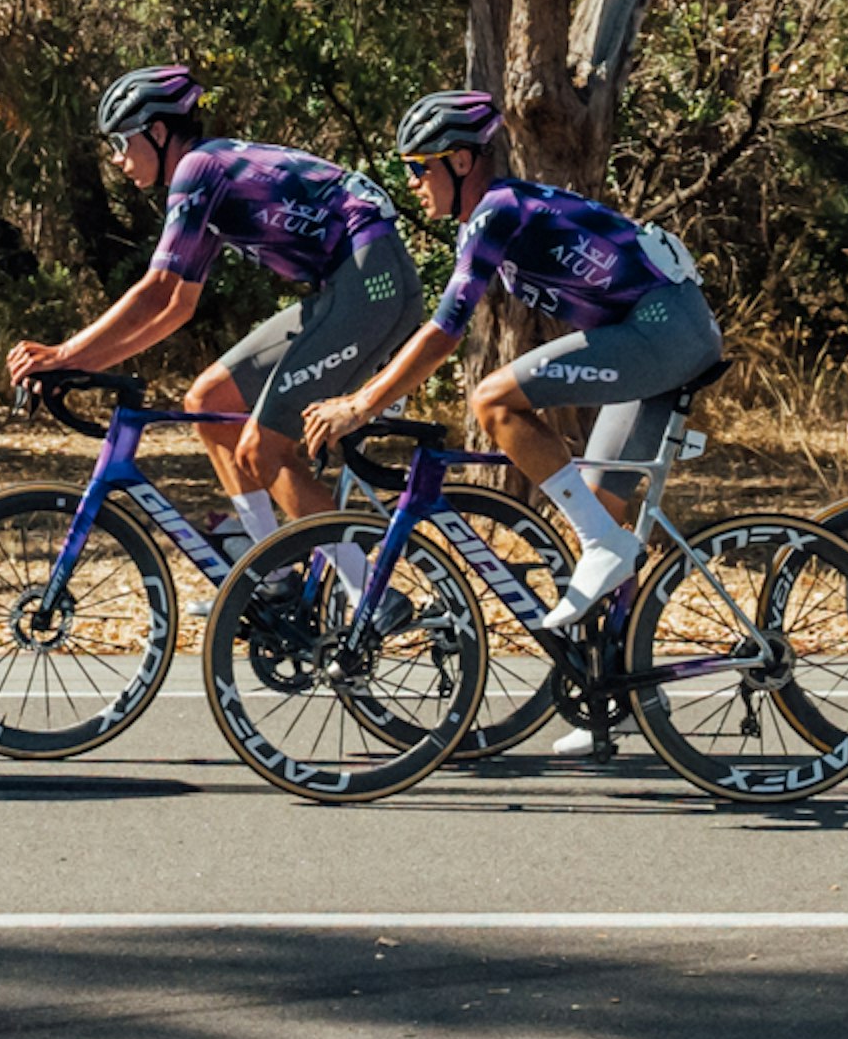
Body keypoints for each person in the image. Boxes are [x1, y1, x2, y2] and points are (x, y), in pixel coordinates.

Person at [303, 91, 724, 642]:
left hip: (665, 328)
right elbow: (436, 329)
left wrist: (361, 404)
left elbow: (444, 333)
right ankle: (620, 699)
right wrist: (380, 394)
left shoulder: (496, 212)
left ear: (459, 162)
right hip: (658, 328)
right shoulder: (488, 219)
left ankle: (606, 547)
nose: (410, 183)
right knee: (598, 513)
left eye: (417, 167)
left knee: (494, 399)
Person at [0, 65, 420, 557]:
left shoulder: (198, 169)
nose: (115, 159)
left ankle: (371, 595)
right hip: (348, 284)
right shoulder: (211, 181)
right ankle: (270, 573)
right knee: (209, 399)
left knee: (263, 449)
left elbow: (156, 291)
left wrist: (65, 354)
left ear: (156, 132)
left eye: (120, 143)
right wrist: (80, 365)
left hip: (372, 280)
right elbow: (178, 307)